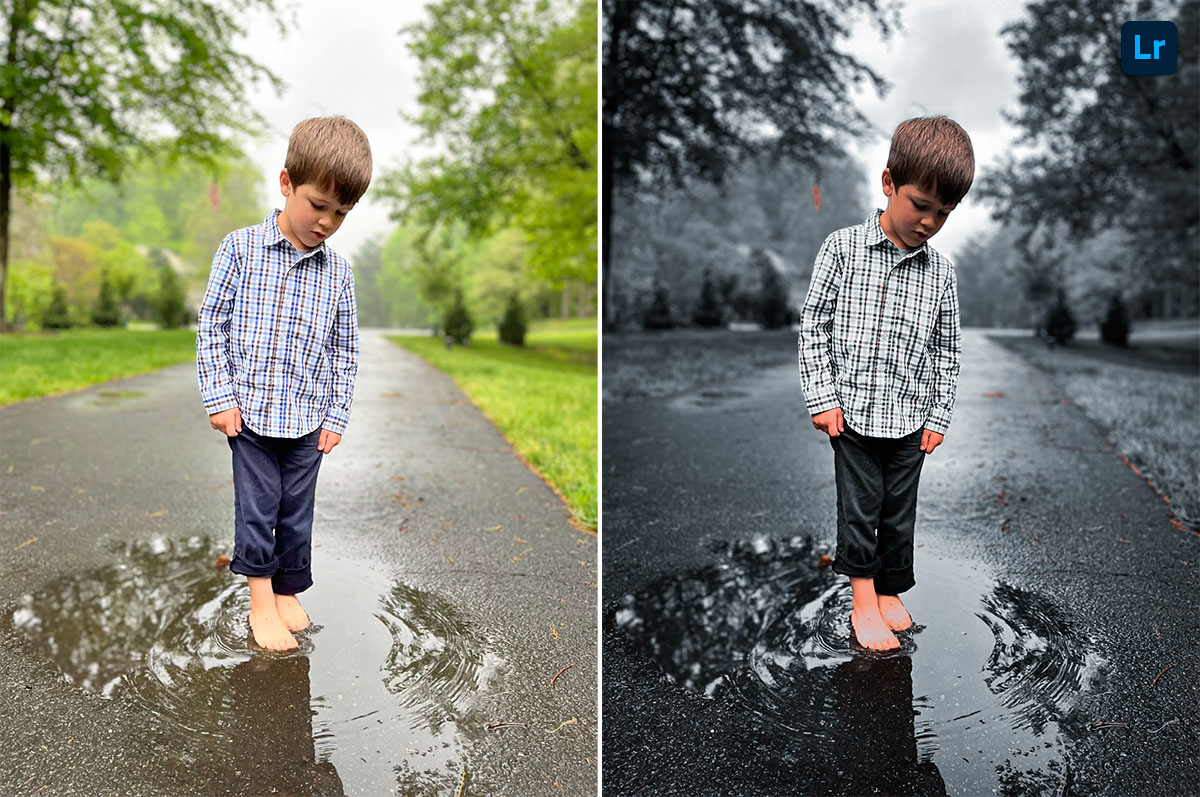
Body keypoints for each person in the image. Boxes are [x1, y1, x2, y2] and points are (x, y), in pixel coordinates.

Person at [798, 115, 973, 652]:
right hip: (849, 416)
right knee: (861, 509)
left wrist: (937, 416)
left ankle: (892, 589)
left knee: (898, 512)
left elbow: (947, 350)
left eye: (943, 213)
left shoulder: (940, 273)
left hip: (908, 419)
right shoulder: (842, 249)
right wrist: (823, 398)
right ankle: (862, 599)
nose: (929, 222)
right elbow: (814, 325)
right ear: (889, 183)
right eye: (921, 204)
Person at [196, 116, 372, 651]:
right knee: (258, 509)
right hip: (248, 416)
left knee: (296, 512)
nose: (327, 222)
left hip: (306, 420)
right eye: (319, 205)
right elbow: (212, 324)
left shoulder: (337, 273)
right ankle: (260, 600)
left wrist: (335, 416)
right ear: (287, 183)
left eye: (341, 213)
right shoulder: (240, 249)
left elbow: (345, 350)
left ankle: (289, 588)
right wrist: (220, 396)